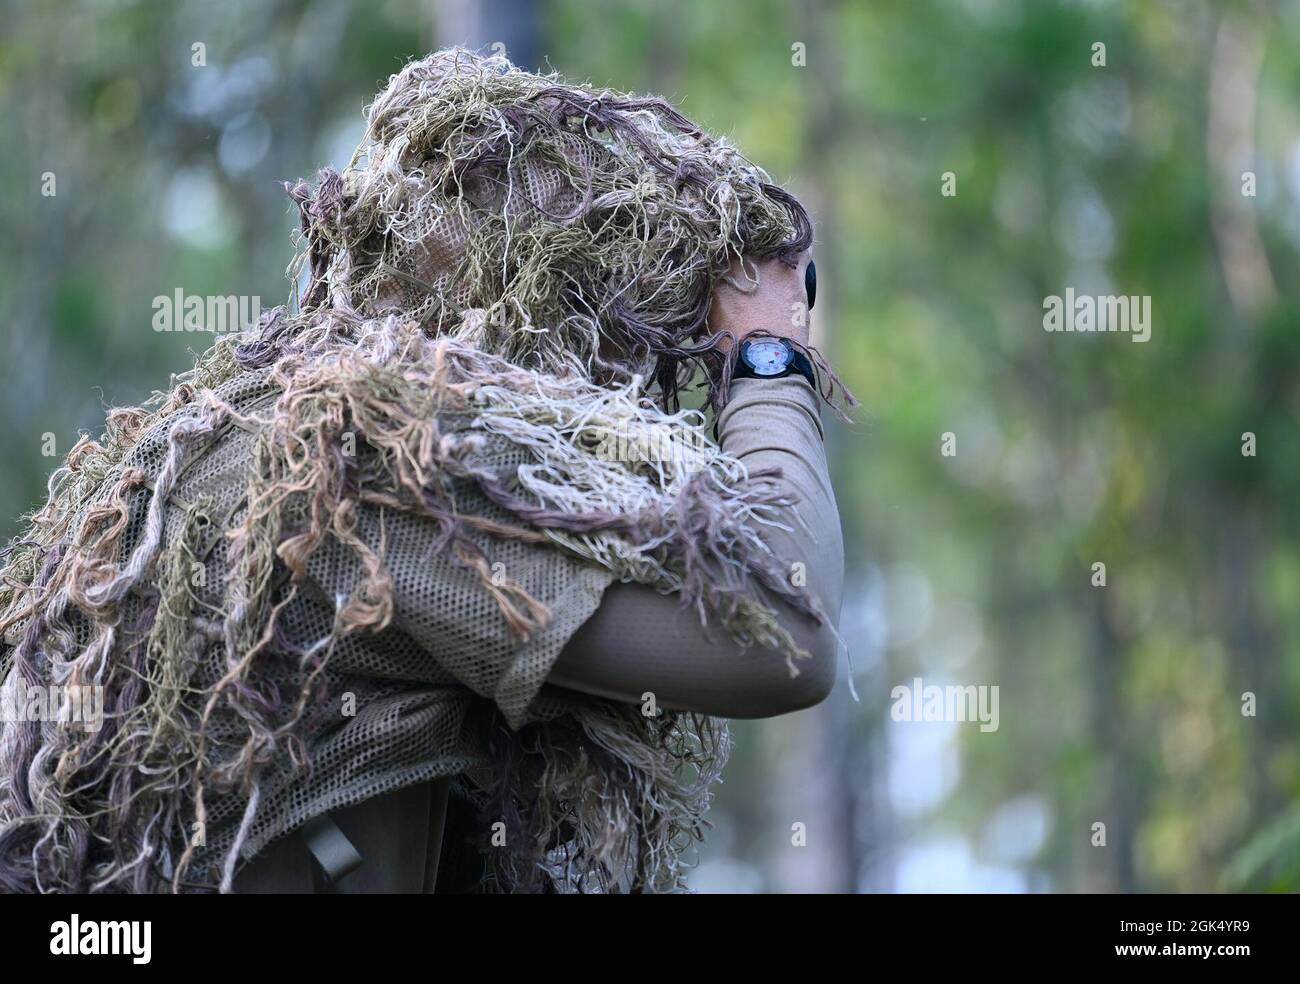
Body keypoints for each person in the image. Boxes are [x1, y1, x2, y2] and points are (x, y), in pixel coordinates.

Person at [0, 49, 847, 894]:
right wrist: (767, 358)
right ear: (534, 302)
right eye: (617, 328)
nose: (619, 393)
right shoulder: (368, 450)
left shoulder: (248, 426)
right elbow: (778, 635)